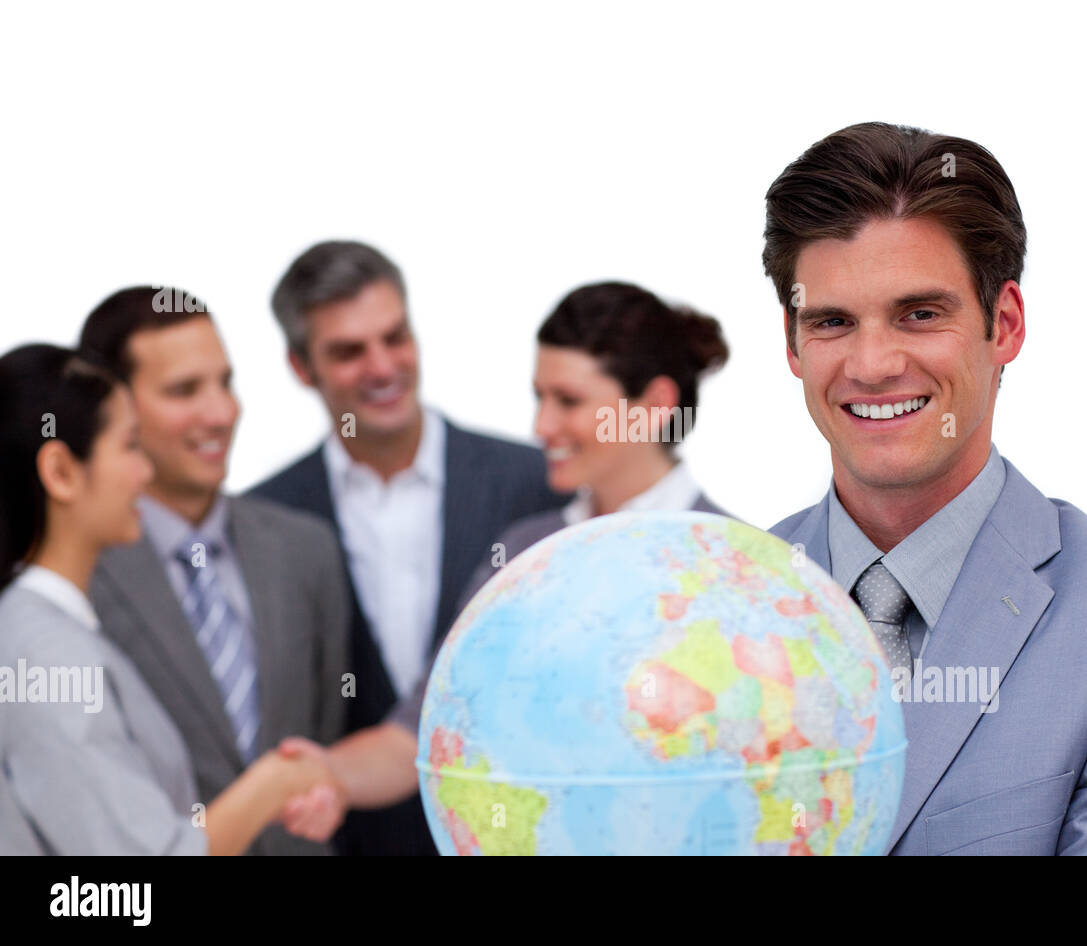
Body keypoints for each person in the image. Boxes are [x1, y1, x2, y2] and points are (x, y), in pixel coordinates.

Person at [762, 122, 1087, 854]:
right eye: (833, 321)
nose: (871, 364)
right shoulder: (704, 604)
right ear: (792, 345)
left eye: (919, 314)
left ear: (1006, 324)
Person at [276, 280, 733, 839]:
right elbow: (427, 725)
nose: (541, 427)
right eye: (539, 398)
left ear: (655, 406)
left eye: (568, 401)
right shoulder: (521, 551)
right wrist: (330, 776)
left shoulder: (739, 567)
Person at [249, 240, 569, 855]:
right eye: (348, 351)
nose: (381, 366)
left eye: (394, 337)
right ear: (300, 366)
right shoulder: (266, 517)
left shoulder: (535, 485)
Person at [0, 344, 337, 855]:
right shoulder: (44, 651)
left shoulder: (49, 632)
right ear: (61, 472)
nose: (145, 473)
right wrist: (273, 783)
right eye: (131, 446)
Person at [77, 287, 350, 856]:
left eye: (224, 382)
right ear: (114, 407)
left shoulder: (306, 550)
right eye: (184, 390)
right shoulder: (77, 576)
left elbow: (324, 728)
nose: (221, 412)